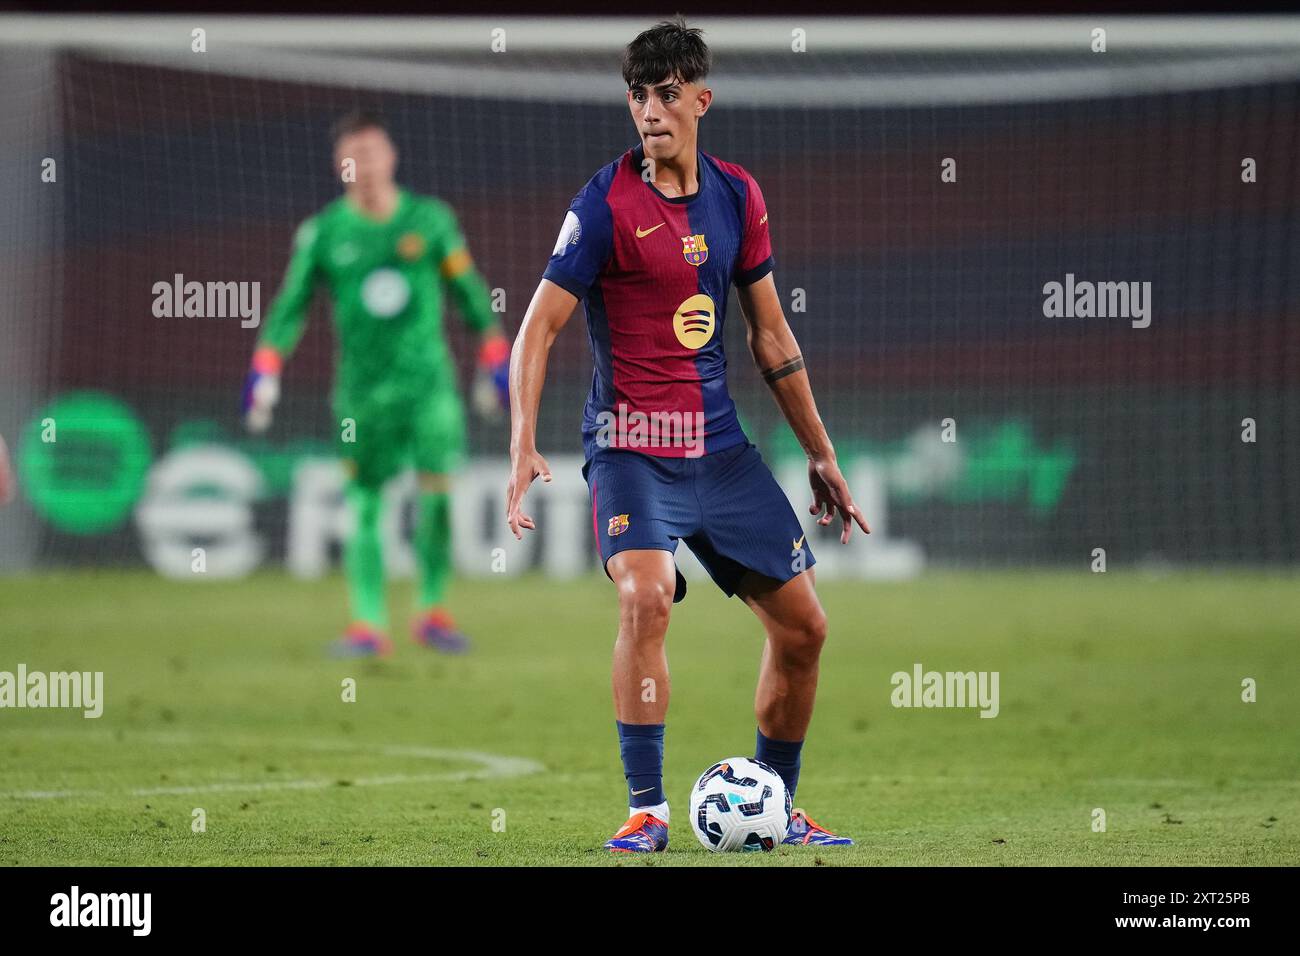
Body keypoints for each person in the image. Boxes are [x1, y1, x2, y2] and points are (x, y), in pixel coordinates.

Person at [506, 19, 870, 852]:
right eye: (638, 95)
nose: (651, 111)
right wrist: (523, 438)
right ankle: (646, 810)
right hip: (631, 445)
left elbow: (771, 335)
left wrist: (821, 451)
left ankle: (778, 802)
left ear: (701, 100)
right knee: (642, 596)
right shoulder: (602, 205)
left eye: (668, 94)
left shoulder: (738, 195)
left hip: (720, 451)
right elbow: (536, 330)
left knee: (806, 630)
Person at [244, 111, 509, 657]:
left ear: (391, 158)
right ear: (340, 168)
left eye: (373, 154)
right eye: (353, 158)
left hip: (429, 388)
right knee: (364, 504)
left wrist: (496, 357)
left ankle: (431, 611)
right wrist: (266, 366)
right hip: (360, 397)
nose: (364, 167)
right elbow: (290, 308)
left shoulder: (430, 221)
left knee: (437, 498)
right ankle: (368, 624)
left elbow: (470, 294)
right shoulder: (324, 233)